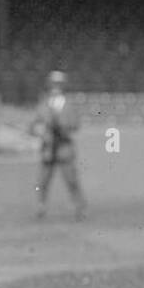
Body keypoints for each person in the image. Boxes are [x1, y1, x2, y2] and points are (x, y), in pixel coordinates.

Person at [31, 70, 86, 220]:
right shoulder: (43, 104)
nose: (56, 86)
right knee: (42, 181)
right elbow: (33, 125)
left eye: (59, 83)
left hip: (64, 147)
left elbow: (75, 124)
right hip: (48, 148)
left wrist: (62, 126)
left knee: (71, 180)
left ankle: (79, 207)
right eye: (53, 83)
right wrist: (41, 131)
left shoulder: (69, 105)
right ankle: (40, 207)